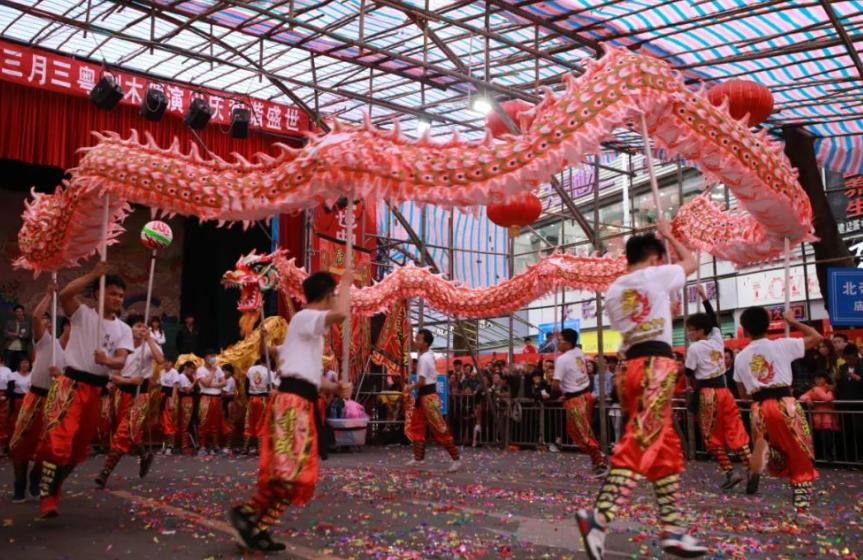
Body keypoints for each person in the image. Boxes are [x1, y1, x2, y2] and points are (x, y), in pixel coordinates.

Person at [577, 221, 706, 559]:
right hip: (655, 367)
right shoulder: (656, 276)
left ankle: (674, 529)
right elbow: (692, 263)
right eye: (661, 260)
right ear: (655, 259)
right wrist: (671, 234)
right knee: (641, 440)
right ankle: (599, 515)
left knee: (663, 448)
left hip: (630, 369)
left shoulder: (615, 289)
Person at [229, 270, 352, 552]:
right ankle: (248, 513)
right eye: (334, 294)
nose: (336, 300)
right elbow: (342, 315)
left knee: (296, 476)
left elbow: (308, 375)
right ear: (328, 295)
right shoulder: (305, 317)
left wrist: (334, 388)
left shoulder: (308, 331)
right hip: (291, 405)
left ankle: (258, 528)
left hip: (301, 404)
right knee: (289, 473)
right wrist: (348, 281)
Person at [36, 262, 134, 518]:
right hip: (71, 386)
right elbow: (66, 294)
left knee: (78, 451)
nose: (117, 299)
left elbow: (121, 360)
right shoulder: (83, 315)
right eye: (112, 293)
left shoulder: (124, 329)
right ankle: (49, 497)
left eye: (121, 295)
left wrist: (107, 361)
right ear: (97, 295)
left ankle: (50, 480)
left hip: (96, 392)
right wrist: (94, 274)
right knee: (59, 442)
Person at [734, 308, 821, 520]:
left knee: (776, 451)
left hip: (758, 409)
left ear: (744, 331)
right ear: (768, 325)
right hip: (785, 405)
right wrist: (792, 321)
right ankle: (801, 510)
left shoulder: (740, 357)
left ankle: (764, 455)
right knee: (801, 457)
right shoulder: (782, 344)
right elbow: (817, 337)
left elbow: (743, 394)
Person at [684, 285, 750, 490]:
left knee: (710, 434)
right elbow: (713, 319)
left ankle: (730, 471)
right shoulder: (718, 339)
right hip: (725, 392)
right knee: (734, 427)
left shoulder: (695, 348)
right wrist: (704, 298)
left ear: (700, 331)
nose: (689, 333)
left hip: (708, 394)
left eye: (692, 330)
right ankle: (750, 465)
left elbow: (689, 372)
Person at [10, 285, 68, 503]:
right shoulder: (45, 341)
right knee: (20, 443)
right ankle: (19, 486)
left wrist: (60, 374)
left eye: (47, 319)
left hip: (54, 401)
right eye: (43, 319)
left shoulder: (69, 352)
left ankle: (35, 478)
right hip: (35, 397)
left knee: (48, 447)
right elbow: (35, 316)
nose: (43, 321)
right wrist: (48, 294)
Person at [95, 314, 165, 488]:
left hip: (141, 394)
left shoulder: (149, 346)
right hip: (122, 393)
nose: (142, 329)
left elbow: (160, 360)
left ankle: (104, 472)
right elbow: (115, 377)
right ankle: (144, 455)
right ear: (130, 328)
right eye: (138, 326)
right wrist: (130, 381)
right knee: (131, 432)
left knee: (125, 431)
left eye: (144, 326)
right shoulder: (121, 348)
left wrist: (149, 339)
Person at [553, 328, 608, 477]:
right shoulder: (578, 351)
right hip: (584, 396)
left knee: (582, 433)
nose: (557, 343)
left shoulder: (562, 359)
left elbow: (555, 384)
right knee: (577, 431)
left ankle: (600, 461)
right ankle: (596, 459)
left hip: (577, 400)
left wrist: (555, 386)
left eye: (559, 340)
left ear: (568, 343)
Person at [404, 328, 461, 471]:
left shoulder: (423, 358)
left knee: (439, 428)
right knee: (417, 426)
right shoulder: (428, 355)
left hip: (428, 398)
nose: (415, 341)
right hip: (425, 396)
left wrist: (410, 387)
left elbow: (422, 382)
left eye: (418, 339)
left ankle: (456, 459)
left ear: (426, 343)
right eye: (416, 338)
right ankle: (418, 458)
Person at [799, 373, 839, 462]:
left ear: (825, 379)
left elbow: (827, 398)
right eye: (817, 379)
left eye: (820, 378)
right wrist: (808, 399)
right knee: (819, 437)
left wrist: (827, 391)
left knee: (828, 437)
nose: (818, 381)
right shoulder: (816, 389)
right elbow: (802, 396)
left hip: (828, 416)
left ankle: (829, 455)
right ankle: (822, 456)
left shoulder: (825, 389)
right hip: (818, 416)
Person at [835, 344, 863, 461]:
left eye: (851, 358)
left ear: (856, 356)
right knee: (847, 433)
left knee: (860, 432)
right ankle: (850, 458)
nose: (848, 361)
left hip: (859, 405)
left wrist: (858, 378)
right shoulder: (842, 368)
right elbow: (839, 387)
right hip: (845, 405)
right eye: (846, 358)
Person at [196, 351, 226, 455]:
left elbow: (224, 383)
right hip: (206, 398)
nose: (213, 358)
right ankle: (202, 446)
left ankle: (215, 445)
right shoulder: (200, 370)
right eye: (210, 356)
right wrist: (213, 372)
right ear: (205, 358)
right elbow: (205, 383)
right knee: (204, 422)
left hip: (217, 398)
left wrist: (212, 385)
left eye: (214, 356)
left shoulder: (219, 369)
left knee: (215, 423)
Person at [244, 359, 273, 455]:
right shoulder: (268, 371)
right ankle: (260, 449)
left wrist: (248, 396)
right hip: (263, 399)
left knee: (250, 422)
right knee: (261, 423)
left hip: (252, 399)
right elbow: (271, 387)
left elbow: (246, 383)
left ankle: (245, 448)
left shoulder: (251, 369)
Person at [175, 361, 197, 455]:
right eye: (191, 368)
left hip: (188, 400)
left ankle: (185, 444)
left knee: (187, 423)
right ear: (185, 367)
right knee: (185, 423)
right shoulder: (182, 377)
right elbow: (187, 390)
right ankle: (184, 446)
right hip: (186, 400)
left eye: (193, 369)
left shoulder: (186, 377)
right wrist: (195, 381)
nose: (192, 371)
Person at [158, 360, 179, 454]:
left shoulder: (174, 372)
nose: (166, 363)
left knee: (169, 421)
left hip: (170, 397)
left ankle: (170, 446)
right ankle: (164, 445)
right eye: (165, 362)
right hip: (162, 397)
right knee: (163, 422)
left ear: (172, 363)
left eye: (168, 362)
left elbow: (175, 387)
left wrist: (172, 401)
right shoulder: (161, 372)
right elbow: (159, 384)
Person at [4, 304, 31, 371]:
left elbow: (26, 335)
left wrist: (14, 334)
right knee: (8, 367)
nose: (19, 313)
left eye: (20, 311)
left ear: (23, 312)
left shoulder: (26, 324)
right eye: (17, 311)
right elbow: (5, 334)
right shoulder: (9, 323)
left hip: (21, 349)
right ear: (14, 313)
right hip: (10, 348)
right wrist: (17, 334)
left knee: (20, 367)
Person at [221, 364, 240, 453]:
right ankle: (227, 445)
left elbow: (224, 392)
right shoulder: (225, 379)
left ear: (230, 372)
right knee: (226, 424)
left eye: (226, 371)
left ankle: (228, 446)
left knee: (230, 424)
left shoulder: (231, 380)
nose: (224, 373)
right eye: (223, 370)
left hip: (229, 403)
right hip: (225, 402)